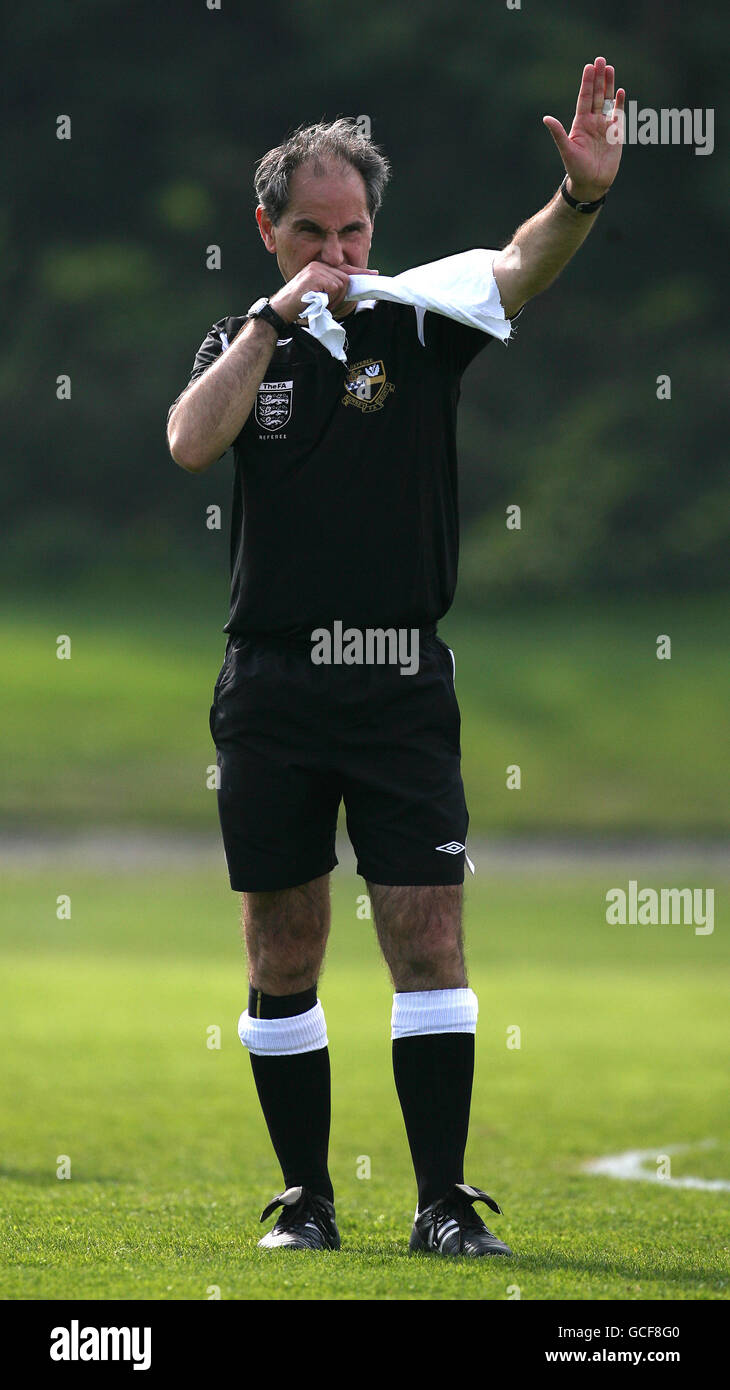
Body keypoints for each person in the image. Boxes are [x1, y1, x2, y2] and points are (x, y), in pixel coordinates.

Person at [167, 57, 624, 1257]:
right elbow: (187, 443)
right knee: (284, 943)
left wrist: (577, 198)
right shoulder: (240, 341)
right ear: (266, 230)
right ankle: (305, 1202)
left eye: (353, 228)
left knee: (426, 931)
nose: (336, 250)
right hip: (269, 686)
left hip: (400, 682)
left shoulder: (422, 313)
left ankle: (438, 1204)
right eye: (311, 230)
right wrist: (271, 326)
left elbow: (522, 264)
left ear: (378, 227)